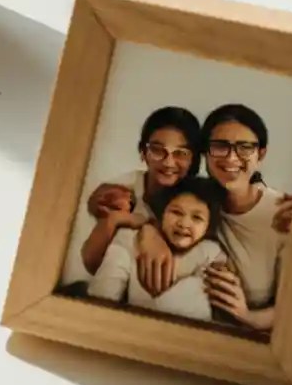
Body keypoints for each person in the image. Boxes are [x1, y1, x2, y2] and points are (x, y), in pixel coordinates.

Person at [136, 104, 291, 332]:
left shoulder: (284, 215)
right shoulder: (196, 197)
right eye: (220, 146)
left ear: (261, 154)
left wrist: (247, 316)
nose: (231, 157)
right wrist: (149, 231)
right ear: (206, 153)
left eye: (245, 147)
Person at [79, 106, 202, 275]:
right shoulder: (120, 191)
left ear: (194, 159)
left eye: (181, 153)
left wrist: (149, 228)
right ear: (143, 152)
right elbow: (91, 263)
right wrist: (114, 219)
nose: (168, 162)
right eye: (158, 150)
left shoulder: (200, 199)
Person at [88, 177, 227, 321]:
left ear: (208, 227)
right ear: (161, 215)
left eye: (197, 218)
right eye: (176, 212)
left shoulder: (212, 254)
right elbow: (100, 299)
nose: (184, 223)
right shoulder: (129, 240)